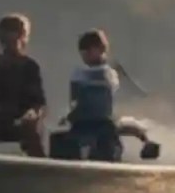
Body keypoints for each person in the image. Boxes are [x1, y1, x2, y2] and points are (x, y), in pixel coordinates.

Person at [61, 29, 156, 162]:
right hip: (82, 121)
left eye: (89, 51)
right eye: (83, 53)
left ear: (101, 49)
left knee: (113, 131)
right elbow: (74, 100)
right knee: (66, 139)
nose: (85, 56)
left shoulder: (110, 71)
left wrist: (144, 96)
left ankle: (145, 143)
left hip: (103, 121)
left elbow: (127, 88)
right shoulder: (79, 73)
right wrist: (70, 115)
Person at [0, 14, 47, 157]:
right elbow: (37, 103)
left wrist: (31, 114)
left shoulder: (28, 66)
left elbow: (37, 104)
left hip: (12, 120)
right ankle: (43, 169)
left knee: (30, 126)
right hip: (2, 120)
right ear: (24, 36)